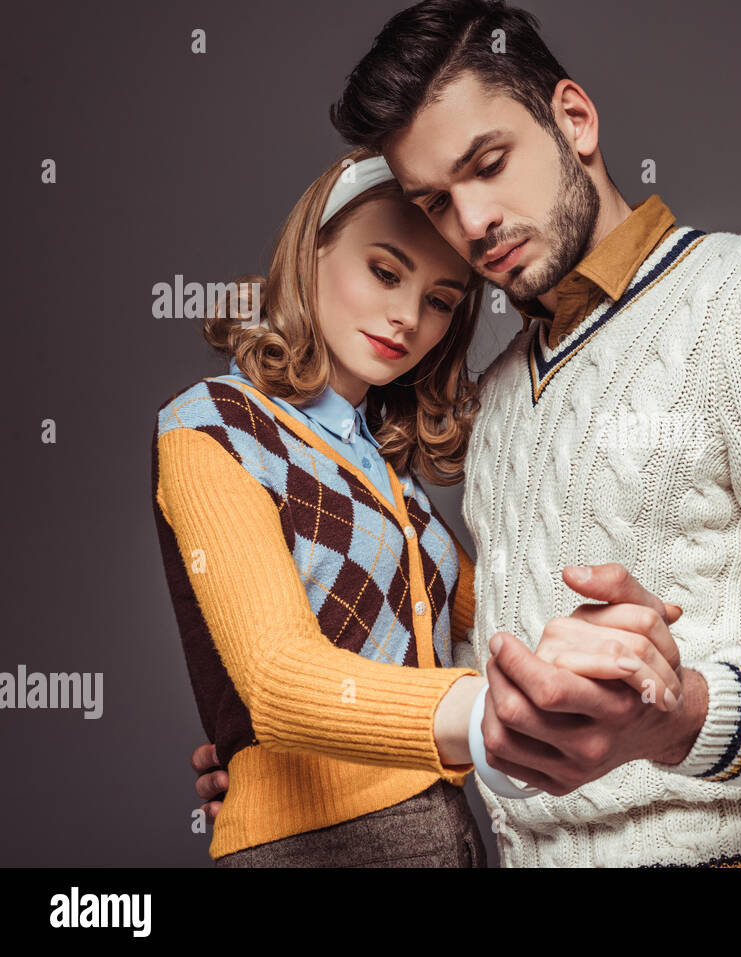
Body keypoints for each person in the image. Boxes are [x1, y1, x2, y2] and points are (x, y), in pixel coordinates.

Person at [198, 0, 741, 868]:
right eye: (435, 202)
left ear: (575, 119)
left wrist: (687, 715)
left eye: (489, 164)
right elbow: (484, 675)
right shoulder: (498, 399)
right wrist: (300, 769)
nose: (473, 222)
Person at [154, 144, 685, 866]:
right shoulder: (211, 425)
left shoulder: (391, 478)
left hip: (447, 830)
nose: (408, 319)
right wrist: (484, 714)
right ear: (311, 251)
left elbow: (505, 628)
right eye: (384, 272)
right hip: (317, 846)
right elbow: (279, 680)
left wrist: (628, 638)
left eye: (439, 300)